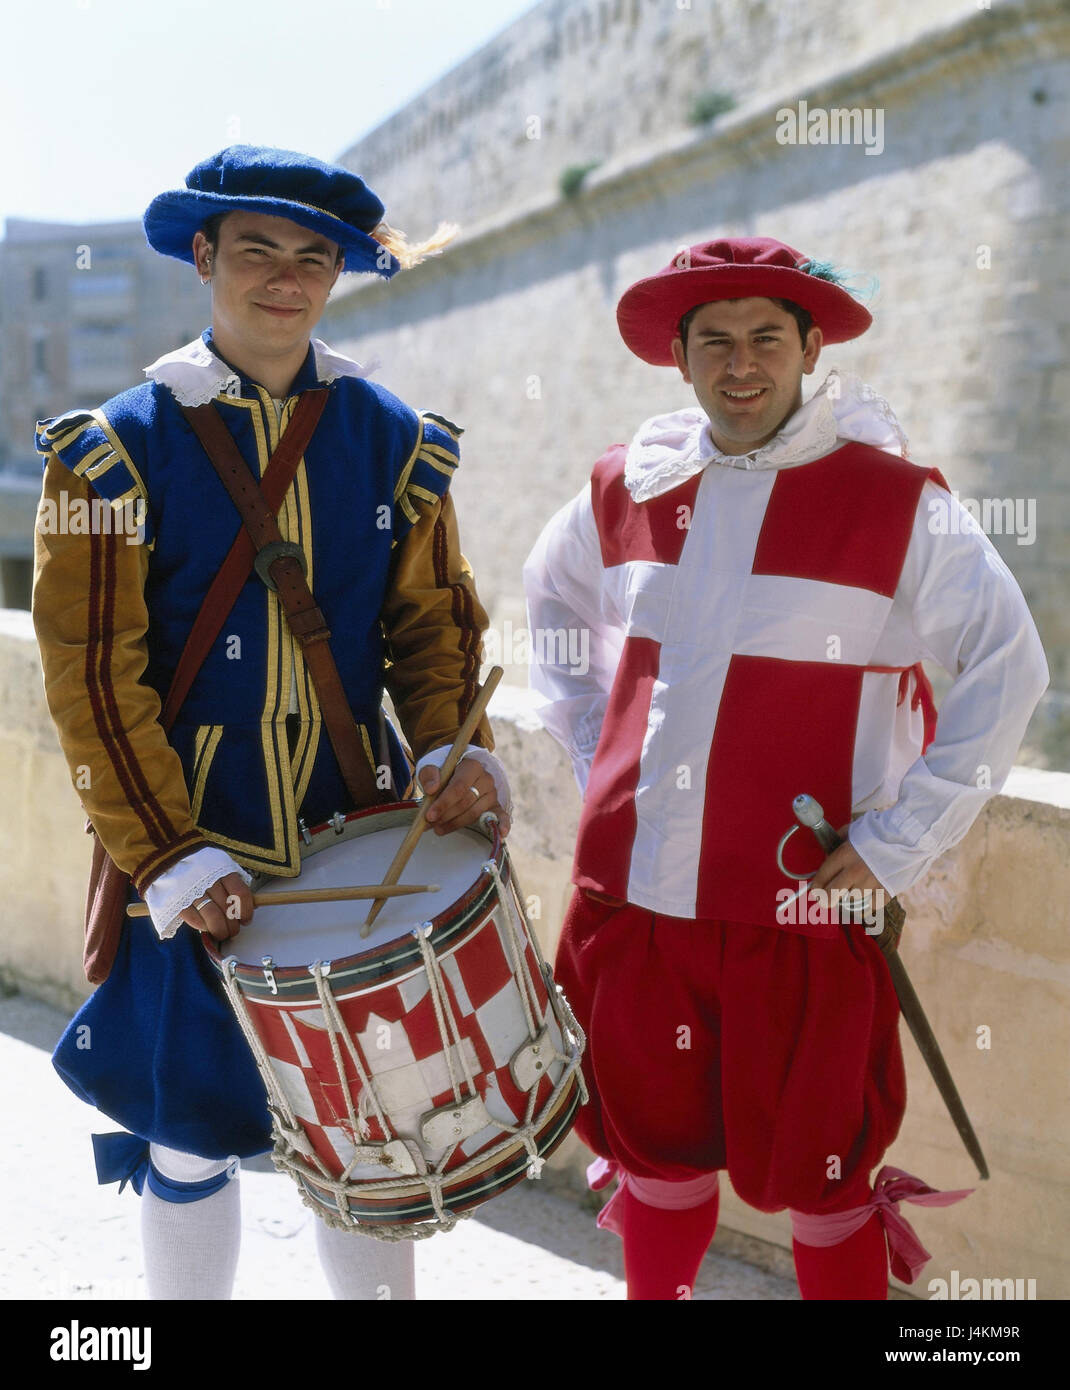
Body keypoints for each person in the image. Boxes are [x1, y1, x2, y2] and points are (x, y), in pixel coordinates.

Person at [522, 236, 1048, 1300]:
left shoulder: (895, 502)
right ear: (679, 359)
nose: (741, 363)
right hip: (636, 904)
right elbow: (549, 607)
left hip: (802, 910)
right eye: (712, 340)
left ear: (811, 346)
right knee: (654, 1156)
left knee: (824, 1177)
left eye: (766, 335)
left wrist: (898, 842)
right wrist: (595, 754)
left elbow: (1007, 668)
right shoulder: (624, 487)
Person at [32, 144, 510, 1300]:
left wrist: (450, 750)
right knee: (191, 1131)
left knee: (372, 1128)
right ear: (205, 257)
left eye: (313, 257)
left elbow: (433, 630)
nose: (285, 279)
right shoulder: (112, 453)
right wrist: (170, 851)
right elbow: (94, 677)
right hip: (197, 843)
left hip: (358, 837)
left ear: (337, 276)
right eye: (257, 250)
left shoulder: (391, 440)